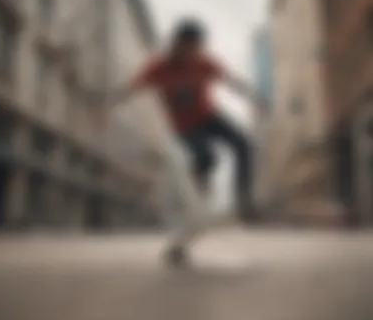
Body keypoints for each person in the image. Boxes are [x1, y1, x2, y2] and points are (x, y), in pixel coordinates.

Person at [97, 18, 268, 266]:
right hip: (185, 127)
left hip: (210, 116)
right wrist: (107, 105)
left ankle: (245, 202)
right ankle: (201, 178)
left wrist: (255, 98)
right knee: (207, 155)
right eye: (188, 49)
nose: (191, 55)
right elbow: (131, 88)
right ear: (177, 44)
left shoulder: (204, 63)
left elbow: (232, 82)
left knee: (243, 144)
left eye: (196, 49)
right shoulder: (158, 68)